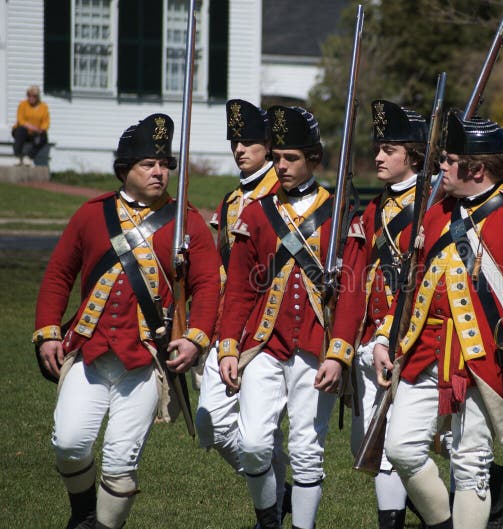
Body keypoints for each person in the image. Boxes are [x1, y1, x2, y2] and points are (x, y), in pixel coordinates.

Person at [371, 111, 503, 529]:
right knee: (402, 450)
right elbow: (411, 284)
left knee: (470, 464)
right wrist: (385, 338)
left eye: (449, 159)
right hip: (422, 352)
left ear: (476, 168)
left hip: (485, 360)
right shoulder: (436, 212)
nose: (441, 166)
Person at [32, 113, 221, 529]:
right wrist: (48, 332)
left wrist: (194, 338)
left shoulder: (185, 220)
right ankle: (82, 514)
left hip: (146, 359)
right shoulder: (91, 214)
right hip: (89, 352)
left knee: (120, 458)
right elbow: (59, 274)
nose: (160, 171)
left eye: (165, 164)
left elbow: (208, 284)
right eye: (148, 164)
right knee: (68, 443)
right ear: (125, 170)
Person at [217, 105, 339, 529]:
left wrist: (338, 353)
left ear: (314, 160)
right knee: (252, 443)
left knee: (306, 448)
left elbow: (351, 300)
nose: (281, 166)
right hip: (263, 344)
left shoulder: (338, 213)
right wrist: (229, 345)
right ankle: (268, 519)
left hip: (314, 345)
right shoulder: (255, 212)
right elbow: (238, 289)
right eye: (277, 158)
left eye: (291, 159)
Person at [325, 99, 426, 529]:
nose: (378, 156)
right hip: (372, 344)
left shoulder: (436, 206)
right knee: (369, 446)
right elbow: (351, 287)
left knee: (397, 449)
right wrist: (340, 350)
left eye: (389, 149)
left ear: (413, 156)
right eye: (378, 148)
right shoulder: (369, 212)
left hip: (416, 341)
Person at [195, 98, 291, 527]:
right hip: (231, 325)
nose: (240, 149)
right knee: (210, 424)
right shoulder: (233, 199)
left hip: (274, 327)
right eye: (235, 141)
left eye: (249, 141)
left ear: (268, 145)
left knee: (260, 433)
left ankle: (273, 505)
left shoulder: (283, 192)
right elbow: (222, 267)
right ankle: (278, 490)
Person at [12, 85, 50, 166]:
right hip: (22, 131)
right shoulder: (23, 104)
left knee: (44, 137)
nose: (31, 98)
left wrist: (41, 130)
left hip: (35, 133)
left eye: (34, 96)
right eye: (29, 95)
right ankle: (17, 156)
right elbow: (20, 120)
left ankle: (28, 157)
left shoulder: (44, 107)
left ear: (38, 97)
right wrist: (33, 128)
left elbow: (46, 122)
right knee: (21, 130)